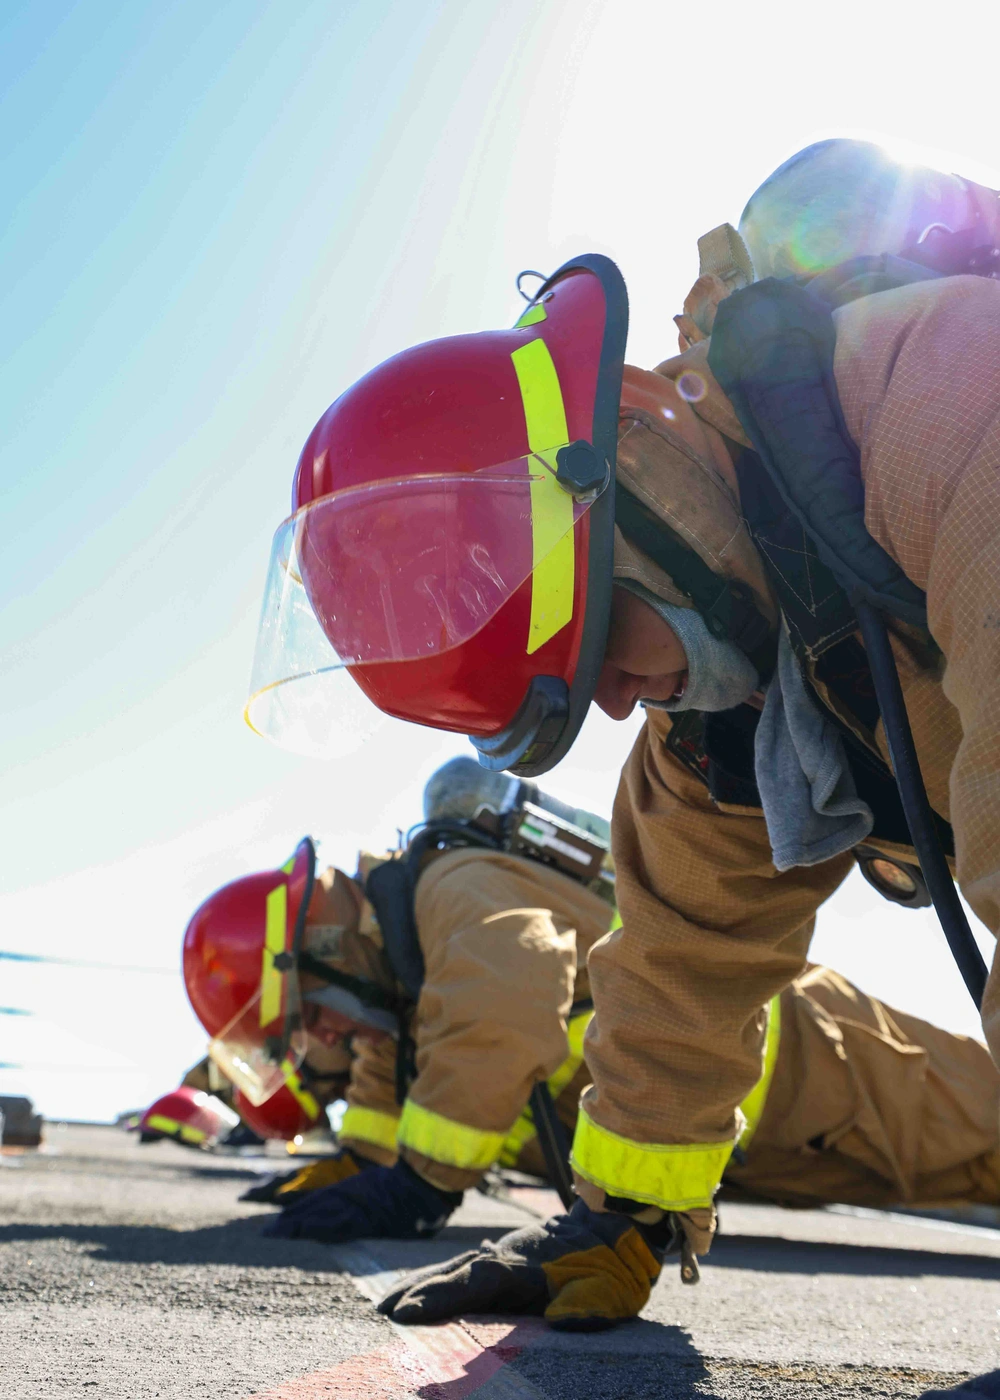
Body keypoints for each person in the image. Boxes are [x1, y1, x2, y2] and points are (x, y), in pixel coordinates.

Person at [246, 138, 1000, 1329]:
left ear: (636, 448)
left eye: (601, 639)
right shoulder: (725, 707)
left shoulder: (955, 401)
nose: (610, 704)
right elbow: (679, 966)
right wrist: (619, 1214)